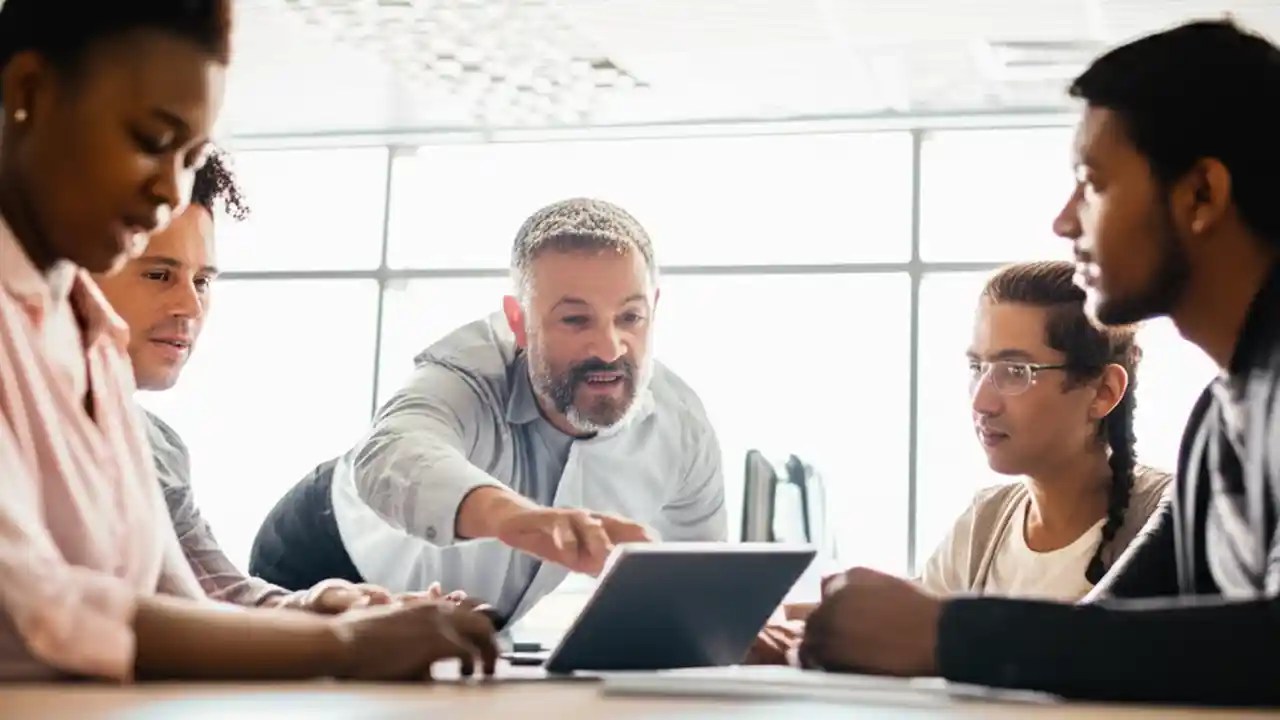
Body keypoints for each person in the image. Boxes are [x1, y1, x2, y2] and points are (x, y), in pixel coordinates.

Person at [0, 0, 495, 681]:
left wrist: (339, 618)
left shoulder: (94, 340)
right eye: (150, 139)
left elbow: (171, 597)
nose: (168, 192)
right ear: (28, 93)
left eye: (190, 157)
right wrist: (345, 648)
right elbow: (42, 611)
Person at [799, 19, 1280, 706]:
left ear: (1201, 195)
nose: (1064, 220)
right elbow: (1105, 634)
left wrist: (948, 634)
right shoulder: (1220, 415)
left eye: (1093, 184)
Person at [250, 197, 727, 627]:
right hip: (322, 555)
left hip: (466, 610)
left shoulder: (681, 426)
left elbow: (701, 578)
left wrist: (724, 628)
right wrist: (523, 521)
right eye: (575, 319)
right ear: (518, 321)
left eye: (630, 317)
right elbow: (391, 454)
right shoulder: (464, 373)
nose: (608, 347)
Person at [93, 149, 465, 613]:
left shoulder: (159, 448)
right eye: (159, 274)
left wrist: (331, 608)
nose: (189, 307)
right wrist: (338, 639)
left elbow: (218, 591)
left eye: (203, 281)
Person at [918, 260, 1170, 601]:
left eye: (1015, 371)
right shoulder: (985, 523)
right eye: (977, 367)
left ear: (1103, 392)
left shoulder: (1169, 517)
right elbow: (899, 635)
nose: (981, 402)